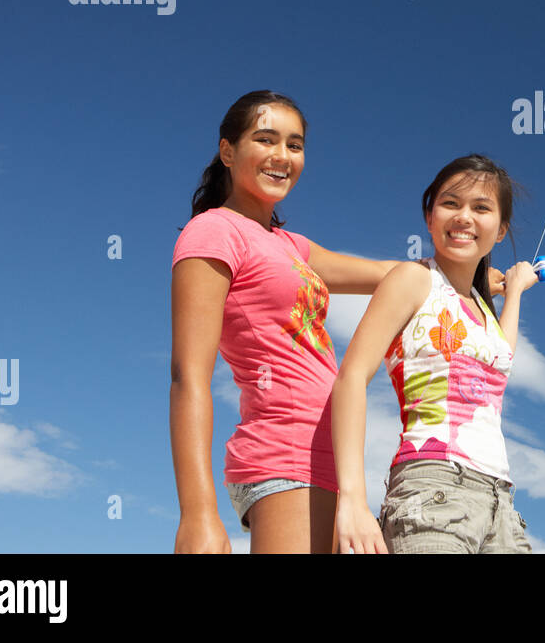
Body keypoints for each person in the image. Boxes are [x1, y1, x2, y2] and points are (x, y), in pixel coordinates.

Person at [170, 90, 415, 553]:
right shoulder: (214, 231)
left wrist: (481, 276)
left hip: (334, 459)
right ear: (228, 151)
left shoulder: (292, 246)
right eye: (266, 140)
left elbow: (389, 274)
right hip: (283, 451)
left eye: (295, 145)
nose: (282, 156)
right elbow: (188, 377)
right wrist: (198, 513)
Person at [331, 154, 537, 553]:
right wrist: (352, 499)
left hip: (501, 505)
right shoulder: (413, 279)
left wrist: (513, 292)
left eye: (481, 208)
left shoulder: (481, 309)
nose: (464, 216)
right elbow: (351, 376)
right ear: (429, 217)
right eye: (450, 203)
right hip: (434, 488)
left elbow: (501, 362)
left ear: (501, 230)